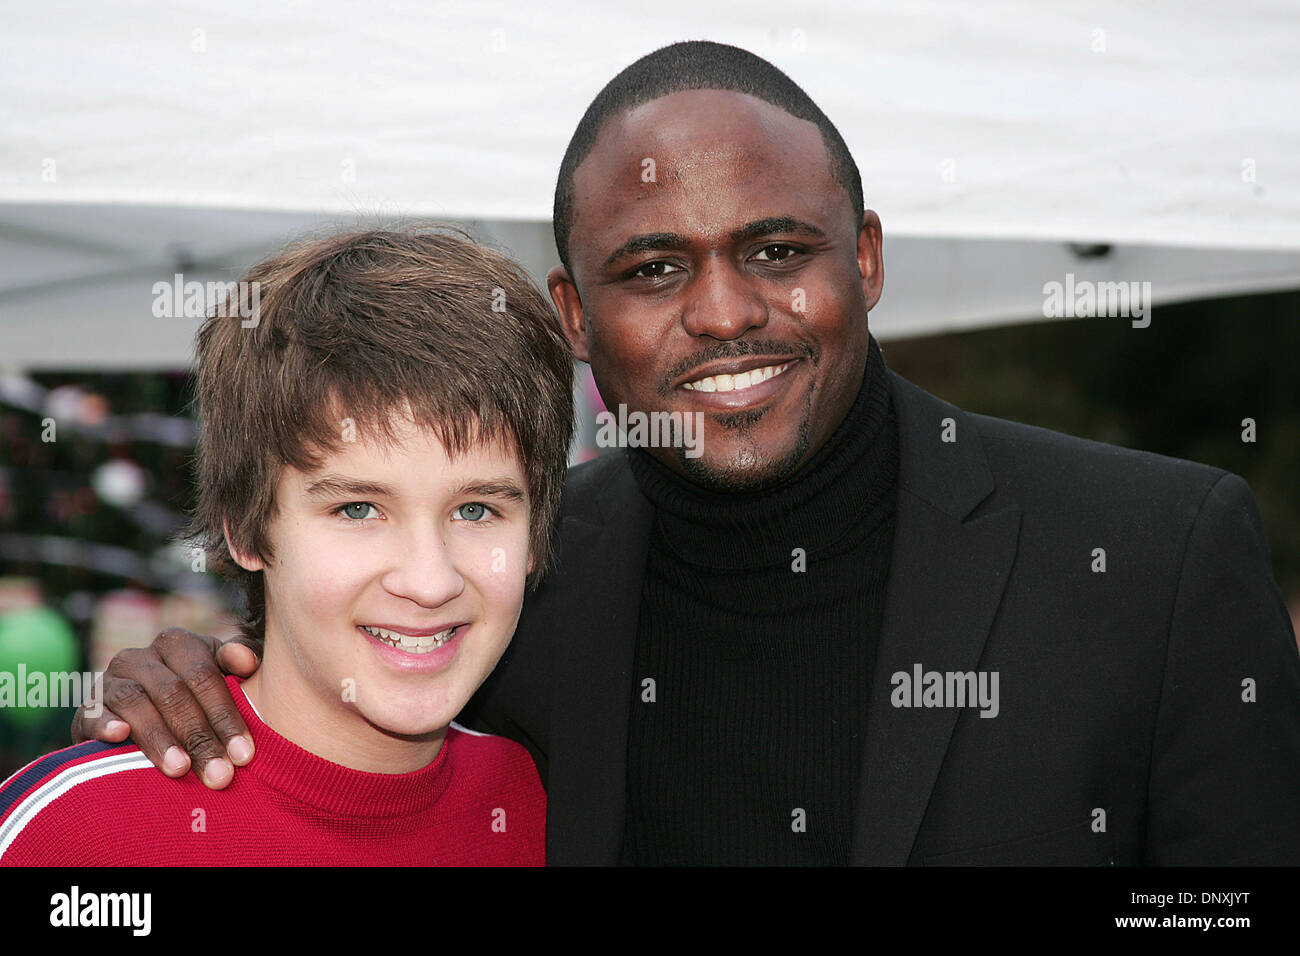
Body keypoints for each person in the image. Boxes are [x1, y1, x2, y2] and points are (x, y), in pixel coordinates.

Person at [72, 42, 1300, 866]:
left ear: (862, 259)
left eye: (775, 249)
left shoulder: (1153, 556)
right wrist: (181, 686)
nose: (721, 312)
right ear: (571, 312)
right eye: (653, 268)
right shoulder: (510, 586)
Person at [3, 228, 574, 865]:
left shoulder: (561, 808)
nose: (430, 579)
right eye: (358, 509)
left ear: (535, 537)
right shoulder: (74, 835)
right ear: (244, 528)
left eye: (476, 510)